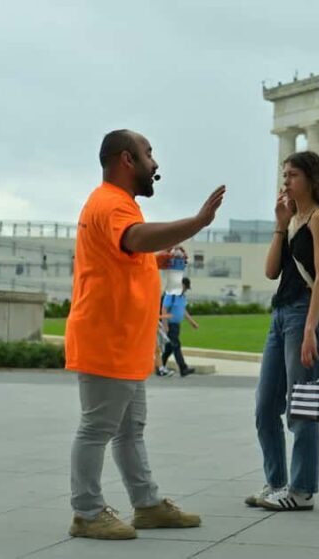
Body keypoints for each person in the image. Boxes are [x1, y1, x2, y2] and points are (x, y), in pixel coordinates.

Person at [65, 129, 225, 540]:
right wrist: (196, 223)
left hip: (124, 343)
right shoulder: (112, 203)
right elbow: (134, 238)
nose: (155, 163)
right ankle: (86, 512)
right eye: (148, 154)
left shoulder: (117, 204)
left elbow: (125, 256)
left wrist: (158, 260)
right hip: (108, 339)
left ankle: (147, 504)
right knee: (97, 429)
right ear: (127, 160)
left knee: (129, 429)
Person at [246, 151, 319, 512]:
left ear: (312, 179)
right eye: (284, 175)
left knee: (301, 405)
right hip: (280, 314)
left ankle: (301, 489)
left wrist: (311, 329)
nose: (286, 181)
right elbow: (271, 271)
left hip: (302, 314)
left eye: (293, 175)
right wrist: (280, 224)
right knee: (265, 406)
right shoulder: (294, 219)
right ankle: (276, 483)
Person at [160, 276, 198, 377]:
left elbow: (183, 310)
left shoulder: (182, 297)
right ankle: (183, 368)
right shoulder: (171, 295)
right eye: (186, 287)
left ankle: (160, 366)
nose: (186, 290)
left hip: (176, 325)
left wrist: (192, 322)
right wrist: (165, 326)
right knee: (176, 346)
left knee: (169, 348)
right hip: (170, 325)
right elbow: (164, 309)